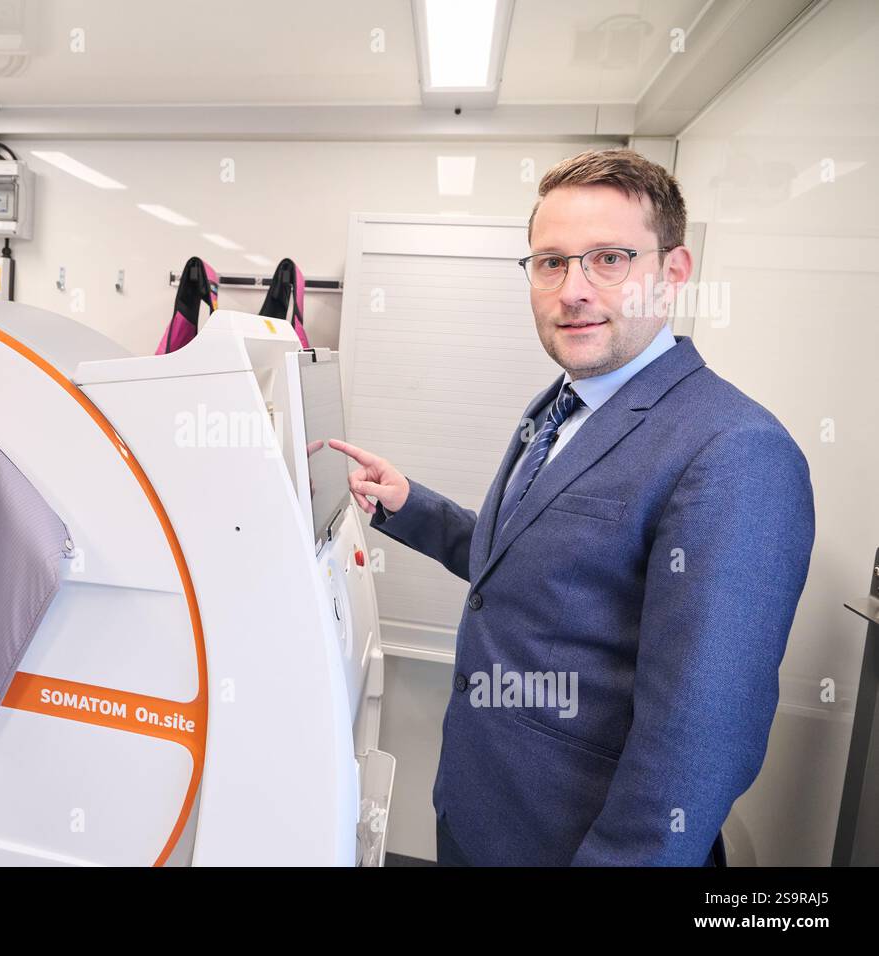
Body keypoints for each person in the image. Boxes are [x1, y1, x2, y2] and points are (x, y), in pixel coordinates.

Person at [330, 148, 814, 866]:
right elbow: (529, 572)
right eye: (551, 262)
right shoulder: (559, 405)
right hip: (478, 809)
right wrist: (412, 506)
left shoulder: (734, 449)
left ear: (673, 274)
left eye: (609, 259)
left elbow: (702, 736)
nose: (574, 289)